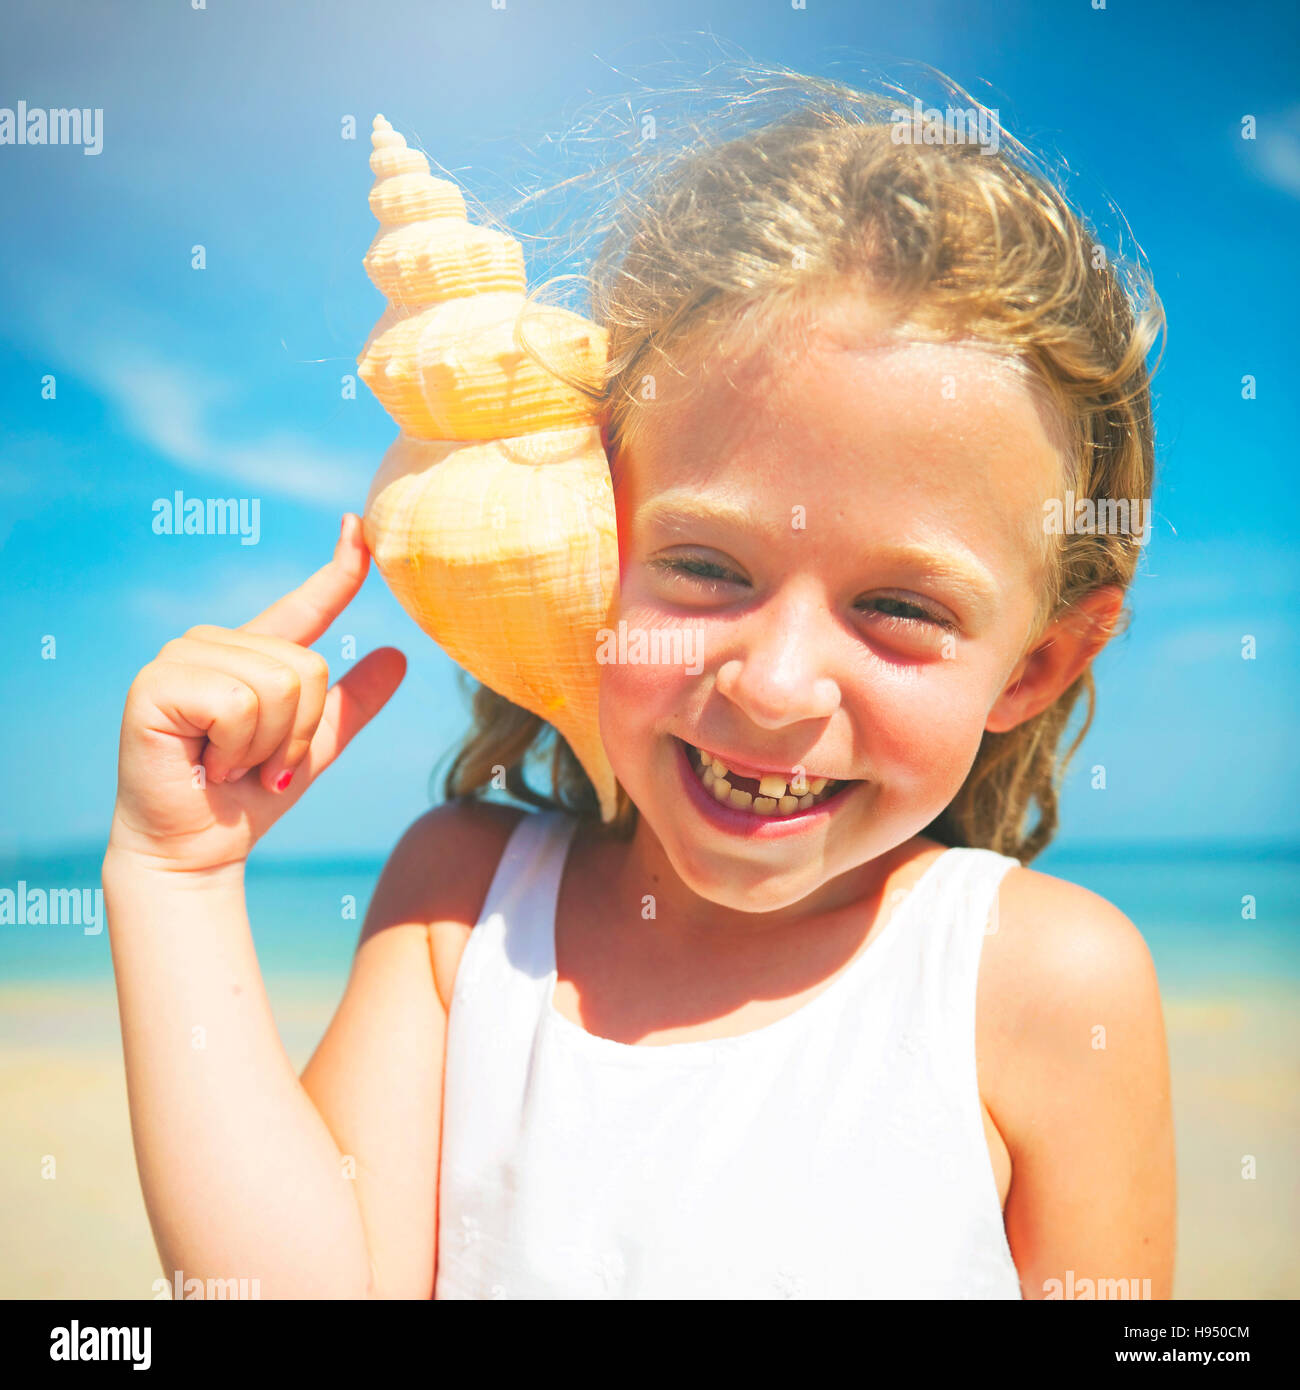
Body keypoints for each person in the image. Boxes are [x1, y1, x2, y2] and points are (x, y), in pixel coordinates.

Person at [103, 65, 1175, 1299]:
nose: (774, 687)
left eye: (898, 606)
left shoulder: (1038, 982)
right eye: (708, 567)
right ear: (590, 542)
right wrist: (174, 877)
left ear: (1037, 663)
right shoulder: (462, 915)